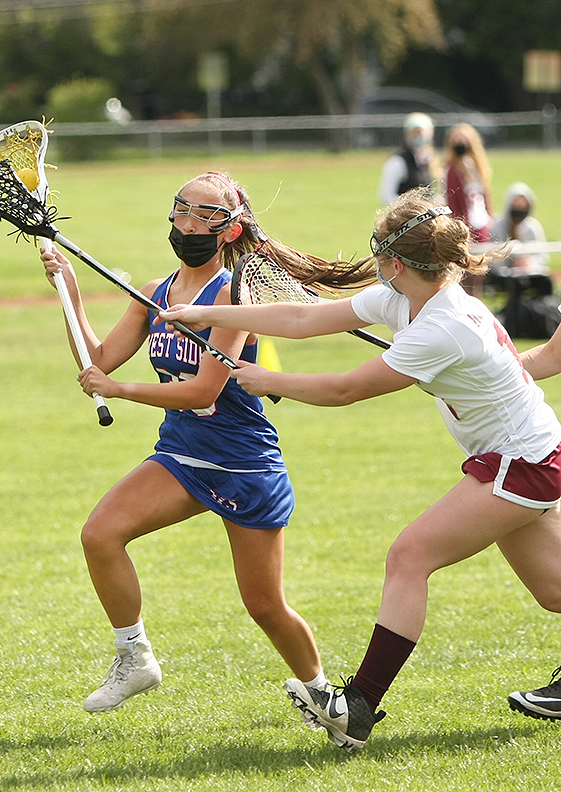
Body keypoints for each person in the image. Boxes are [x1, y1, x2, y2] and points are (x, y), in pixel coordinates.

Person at [159, 186, 561, 750]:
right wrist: (203, 313)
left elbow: (346, 389)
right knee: (553, 590)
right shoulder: (406, 300)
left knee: (410, 556)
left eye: (379, 248)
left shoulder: (441, 326)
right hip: (527, 454)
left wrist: (269, 380)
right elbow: (301, 317)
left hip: (521, 461)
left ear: (396, 262)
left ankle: (360, 705)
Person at [39, 171, 374, 714]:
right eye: (182, 210)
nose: (188, 223)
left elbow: (203, 390)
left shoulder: (233, 297)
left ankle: (323, 696)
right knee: (100, 534)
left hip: (244, 464)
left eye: (204, 215)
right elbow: (97, 361)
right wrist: (70, 291)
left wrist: (120, 391)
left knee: (264, 605)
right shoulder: (154, 293)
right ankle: (134, 657)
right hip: (181, 455)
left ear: (229, 230)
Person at [488, 182, 555, 338]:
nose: (519, 210)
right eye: (516, 205)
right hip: (504, 274)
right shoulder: (497, 226)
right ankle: (513, 324)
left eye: (523, 205)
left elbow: (541, 257)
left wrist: (530, 263)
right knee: (517, 284)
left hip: (529, 272)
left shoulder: (532, 227)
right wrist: (512, 265)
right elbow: (494, 258)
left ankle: (542, 319)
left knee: (546, 282)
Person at [443, 123, 493, 297]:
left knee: (480, 269)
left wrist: (489, 215)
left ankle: (477, 300)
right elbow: (452, 199)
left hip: (481, 222)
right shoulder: (451, 169)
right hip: (465, 224)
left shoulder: (475, 166)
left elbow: (484, 193)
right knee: (465, 271)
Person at [378, 112, 438, 205]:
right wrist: (407, 208)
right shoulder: (398, 161)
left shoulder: (427, 160)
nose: (420, 136)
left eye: (423, 132)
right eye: (416, 132)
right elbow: (386, 195)